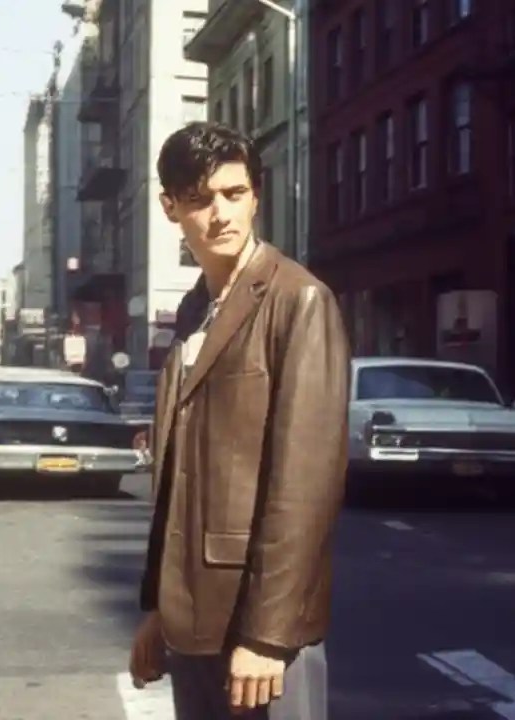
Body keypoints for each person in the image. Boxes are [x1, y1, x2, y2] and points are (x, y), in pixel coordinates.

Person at [127, 122, 350, 719]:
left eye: (234, 193)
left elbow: (304, 488)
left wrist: (269, 635)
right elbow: (177, 474)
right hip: (191, 618)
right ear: (170, 207)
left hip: (260, 631)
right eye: (200, 200)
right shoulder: (194, 310)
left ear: (256, 195)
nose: (221, 214)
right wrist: (159, 607)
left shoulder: (298, 301)